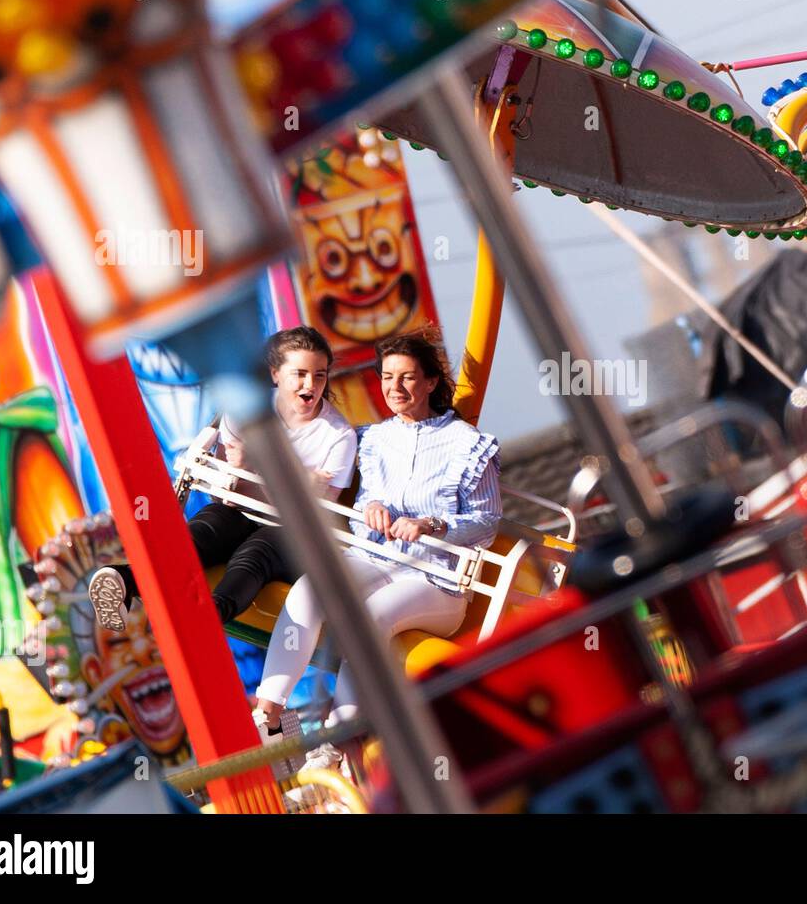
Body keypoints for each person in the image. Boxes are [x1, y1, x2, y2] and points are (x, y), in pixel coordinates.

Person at [252, 329, 501, 769]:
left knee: (369, 620)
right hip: (374, 556)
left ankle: (336, 740)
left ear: (429, 382)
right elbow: (365, 501)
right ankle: (268, 711)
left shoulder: (468, 443)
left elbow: (486, 520)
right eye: (387, 377)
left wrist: (434, 525)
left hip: (435, 578)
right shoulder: (373, 439)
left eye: (407, 378)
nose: (395, 388)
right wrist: (374, 510)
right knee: (311, 591)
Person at [87, 327, 357, 630]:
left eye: (320, 375)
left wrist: (256, 471)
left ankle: (210, 615)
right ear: (275, 374)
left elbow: (315, 513)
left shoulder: (339, 436)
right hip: (238, 511)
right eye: (300, 374)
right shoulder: (247, 409)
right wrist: (294, 481)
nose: (311, 384)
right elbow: (226, 495)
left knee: (255, 555)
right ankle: (123, 579)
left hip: (291, 532)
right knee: (200, 534)